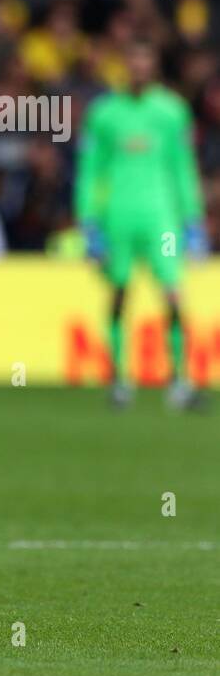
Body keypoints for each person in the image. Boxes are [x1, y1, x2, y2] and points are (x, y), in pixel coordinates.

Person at [76, 39, 207, 409]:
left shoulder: (171, 111)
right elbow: (90, 171)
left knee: (172, 291)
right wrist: (89, 221)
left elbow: (183, 169)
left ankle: (180, 382)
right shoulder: (104, 114)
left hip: (162, 217)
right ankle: (119, 381)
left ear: (154, 66)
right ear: (124, 65)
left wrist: (193, 221)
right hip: (118, 216)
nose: (138, 67)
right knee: (119, 292)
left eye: (145, 60)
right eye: (132, 59)